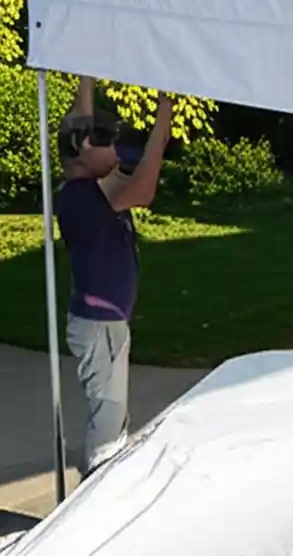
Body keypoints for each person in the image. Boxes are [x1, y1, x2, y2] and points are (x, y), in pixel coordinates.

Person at [54, 75, 172, 478]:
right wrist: (163, 118)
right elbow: (144, 189)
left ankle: (101, 486)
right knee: (108, 424)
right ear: (81, 151)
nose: (116, 148)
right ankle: (96, 493)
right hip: (100, 325)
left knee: (111, 416)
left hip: (104, 323)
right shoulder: (84, 197)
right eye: (105, 141)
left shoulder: (92, 186)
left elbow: (79, 125)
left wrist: (86, 74)